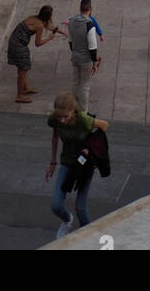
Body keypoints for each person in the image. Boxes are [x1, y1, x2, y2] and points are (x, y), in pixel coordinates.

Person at [45, 93, 109, 238]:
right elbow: (55, 136)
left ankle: (87, 235)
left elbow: (105, 126)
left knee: (80, 207)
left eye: (65, 117)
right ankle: (67, 220)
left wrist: (90, 146)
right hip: (67, 162)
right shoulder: (55, 119)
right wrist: (53, 162)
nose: (62, 120)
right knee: (56, 205)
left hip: (84, 164)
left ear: (73, 111)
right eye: (59, 117)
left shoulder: (83, 120)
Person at [6, 4, 68, 103]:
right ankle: (19, 95)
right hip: (18, 46)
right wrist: (49, 38)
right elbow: (38, 43)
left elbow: (49, 26)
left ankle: (25, 88)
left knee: (23, 68)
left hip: (15, 42)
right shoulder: (39, 26)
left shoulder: (34, 18)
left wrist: (61, 32)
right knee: (22, 70)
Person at [64, 0, 103, 112]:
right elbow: (92, 47)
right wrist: (95, 63)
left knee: (75, 81)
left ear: (80, 8)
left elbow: (70, 41)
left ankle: (73, 106)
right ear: (90, 9)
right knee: (85, 86)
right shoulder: (89, 25)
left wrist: (75, 53)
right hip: (85, 60)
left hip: (75, 57)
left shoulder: (71, 21)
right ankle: (83, 111)